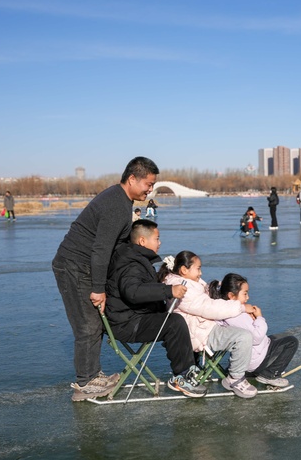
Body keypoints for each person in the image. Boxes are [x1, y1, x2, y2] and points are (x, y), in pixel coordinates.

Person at [52, 156, 159, 402]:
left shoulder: (121, 201)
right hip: (74, 267)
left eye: (153, 185)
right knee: (88, 325)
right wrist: (99, 289)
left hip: (83, 266)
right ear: (132, 179)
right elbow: (101, 250)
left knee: (95, 323)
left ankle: (92, 374)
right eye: (148, 184)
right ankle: (85, 383)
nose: (150, 189)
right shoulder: (116, 205)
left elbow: (116, 248)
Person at [105, 219, 207, 397]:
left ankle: (192, 366)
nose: (159, 243)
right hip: (128, 323)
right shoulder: (130, 264)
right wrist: (168, 290)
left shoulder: (135, 257)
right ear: (142, 241)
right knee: (174, 322)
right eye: (157, 239)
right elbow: (133, 292)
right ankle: (182, 376)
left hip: (134, 316)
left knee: (180, 316)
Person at [159, 251, 259, 399]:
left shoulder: (186, 282)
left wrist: (220, 287)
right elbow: (210, 308)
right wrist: (242, 307)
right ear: (184, 270)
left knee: (240, 331)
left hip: (201, 328)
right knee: (243, 336)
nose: (201, 272)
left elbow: (205, 294)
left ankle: (238, 373)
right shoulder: (183, 288)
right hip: (199, 334)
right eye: (198, 268)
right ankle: (236, 378)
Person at [208, 273, 298, 387]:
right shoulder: (236, 316)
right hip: (255, 361)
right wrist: (259, 317)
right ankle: (269, 374)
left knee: (275, 338)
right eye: (245, 293)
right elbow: (257, 337)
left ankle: (258, 370)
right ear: (231, 296)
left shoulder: (223, 310)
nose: (247, 297)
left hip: (247, 360)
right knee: (291, 341)